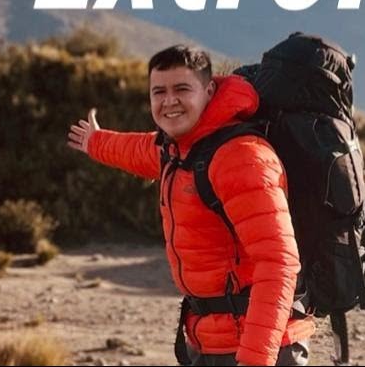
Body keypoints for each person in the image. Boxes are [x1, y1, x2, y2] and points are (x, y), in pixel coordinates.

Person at [66, 45, 312, 366]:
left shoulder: (242, 157)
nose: (169, 101)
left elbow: (278, 262)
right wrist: (96, 142)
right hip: (209, 339)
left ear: (209, 90)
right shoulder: (180, 150)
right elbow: (138, 149)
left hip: (259, 345)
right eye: (159, 91)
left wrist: (256, 359)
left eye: (182, 88)